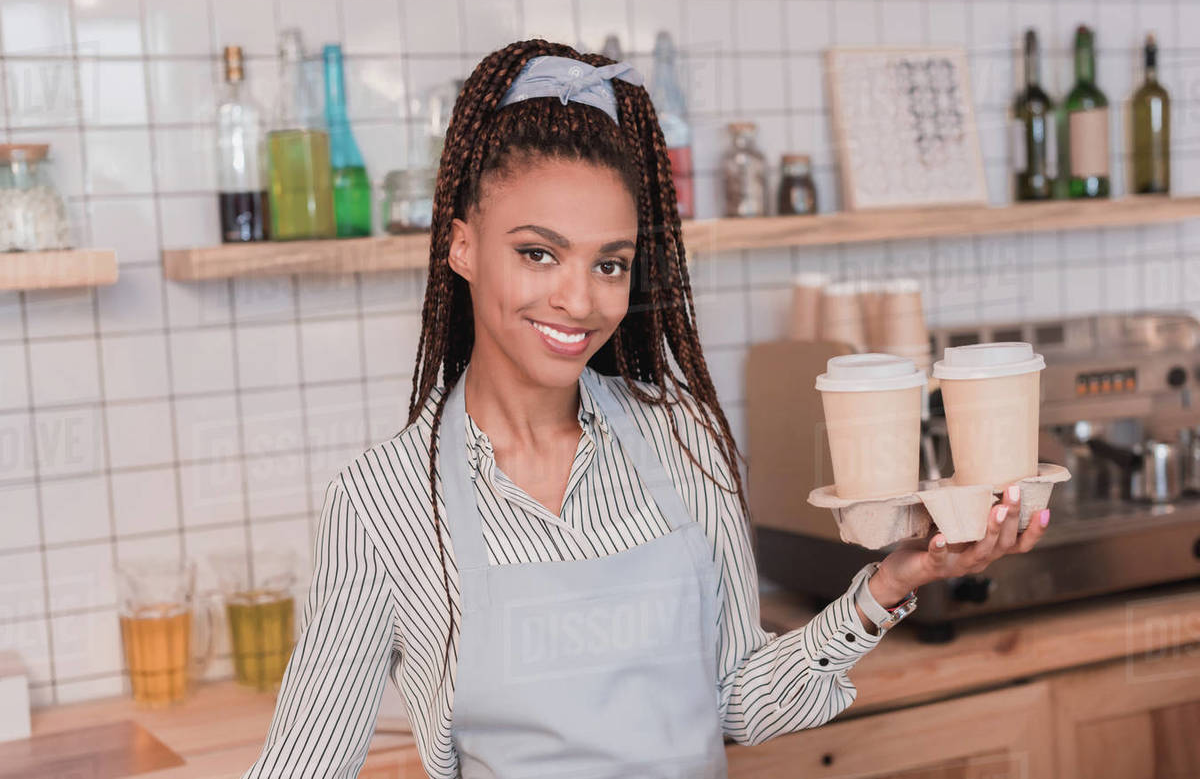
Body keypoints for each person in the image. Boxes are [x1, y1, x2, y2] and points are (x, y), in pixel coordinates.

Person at [241, 39, 1051, 779]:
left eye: (611, 263)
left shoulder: (682, 439)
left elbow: (737, 700)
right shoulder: (382, 504)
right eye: (537, 253)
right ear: (460, 245)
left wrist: (890, 582)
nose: (577, 299)